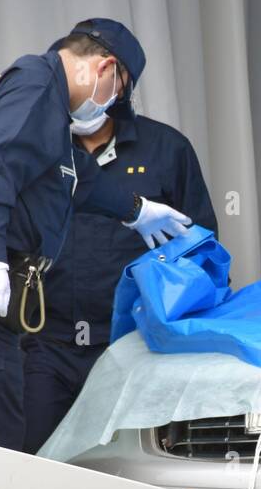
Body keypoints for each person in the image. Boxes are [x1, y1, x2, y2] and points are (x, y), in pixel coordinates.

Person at [0, 19, 191, 450]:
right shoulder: (37, 86)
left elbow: (76, 178)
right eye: (119, 91)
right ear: (105, 67)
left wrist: (136, 210)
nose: (112, 106)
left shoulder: (48, 109)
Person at [22, 84, 219, 454]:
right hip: (48, 346)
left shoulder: (167, 149)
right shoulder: (39, 152)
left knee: (128, 475)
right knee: (34, 468)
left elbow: (200, 254)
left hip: (134, 349)